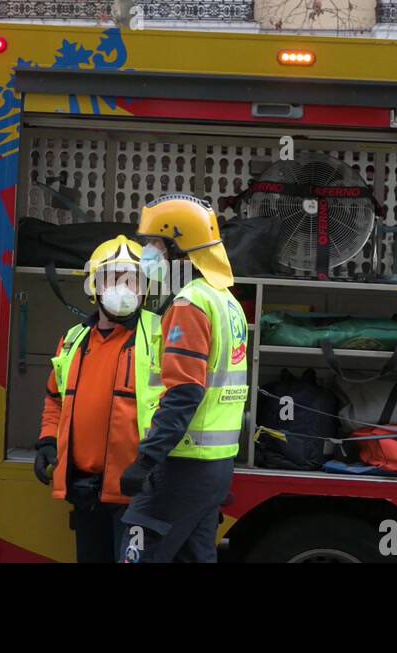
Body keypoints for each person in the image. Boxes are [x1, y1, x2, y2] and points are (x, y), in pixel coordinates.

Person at [118, 194, 249, 563]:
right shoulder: (226, 301)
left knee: (137, 552)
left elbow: (185, 390)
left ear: (180, 247)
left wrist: (147, 459)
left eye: (155, 243)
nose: (148, 252)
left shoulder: (189, 304)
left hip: (182, 463)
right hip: (215, 465)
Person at [35, 236, 165, 563]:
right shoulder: (74, 339)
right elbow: (55, 398)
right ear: (95, 286)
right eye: (114, 279)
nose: (123, 288)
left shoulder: (162, 335)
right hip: (86, 490)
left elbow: (180, 404)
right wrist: (48, 441)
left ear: (145, 288)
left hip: (138, 491)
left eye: (132, 280)